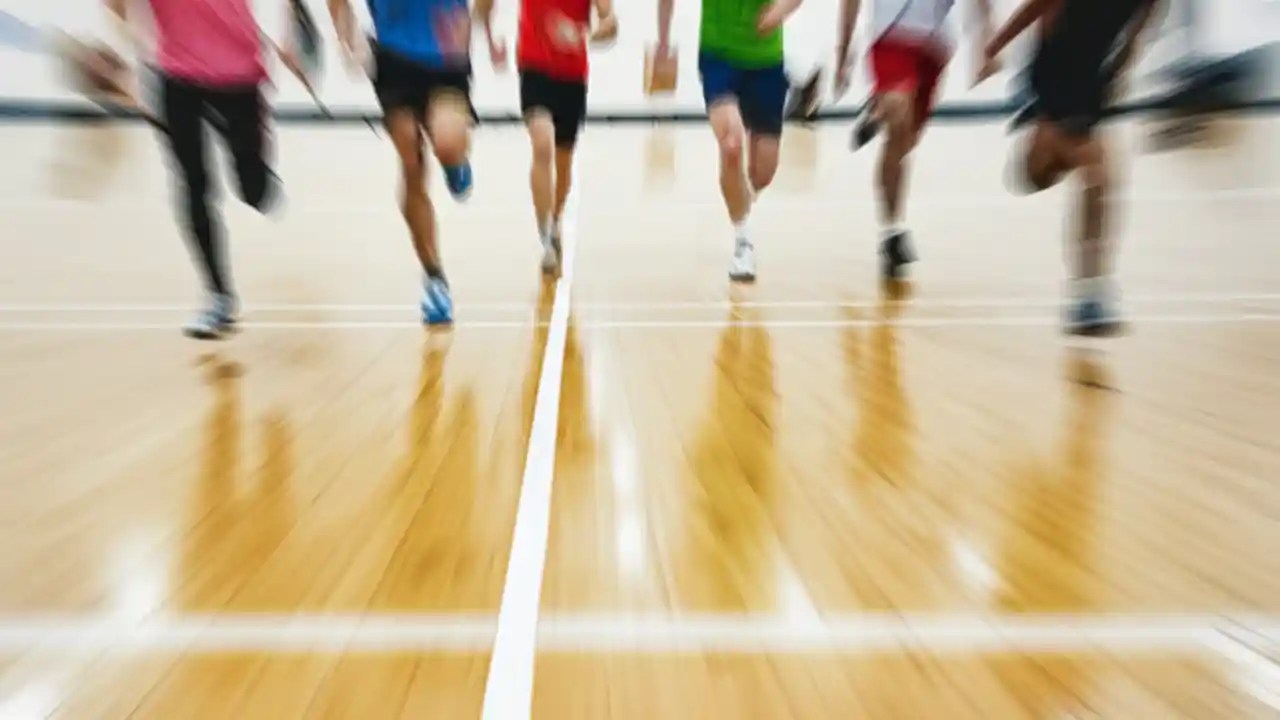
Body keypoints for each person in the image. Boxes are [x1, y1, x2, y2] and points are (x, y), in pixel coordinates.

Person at [103, 0, 295, 339]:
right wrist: (130, 58)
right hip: (176, 76)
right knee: (193, 184)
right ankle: (218, 295)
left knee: (254, 192)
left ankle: (260, 185)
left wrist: (287, 38)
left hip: (240, 74)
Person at [979, 0, 1161, 334]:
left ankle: (1089, 292)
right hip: (1057, 67)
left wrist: (1126, 57)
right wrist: (994, 45)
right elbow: (1040, 6)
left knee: (1098, 176)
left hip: (1093, 74)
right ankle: (1089, 293)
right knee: (1094, 174)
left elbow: (1147, 15)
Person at [328, 0, 497, 325]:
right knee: (411, 163)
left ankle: (454, 161)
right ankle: (434, 277)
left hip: (446, 56)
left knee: (448, 142)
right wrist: (346, 39)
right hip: (393, 60)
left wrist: (474, 25)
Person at [834, 0, 995, 280]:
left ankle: (880, 109)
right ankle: (892, 228)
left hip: (934, 45)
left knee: (904, 142)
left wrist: (987, 39)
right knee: (898, 110)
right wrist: (843, 53)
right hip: (891, 33)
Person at [654, 0, 804, 283]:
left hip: (766, 61)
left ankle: (741, 200)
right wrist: (663, 41)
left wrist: (778, 12)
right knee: (731, 144)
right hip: (718, 58)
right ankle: (743, 240)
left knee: (763, 172)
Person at [477, 0, 617, 275]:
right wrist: (491, 40)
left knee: (564, 164)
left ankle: (554, 220)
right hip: (533, 68)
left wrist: (581, 35)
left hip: (572, 77)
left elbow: (610, 23)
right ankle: (545, 237)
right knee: (542, 144)